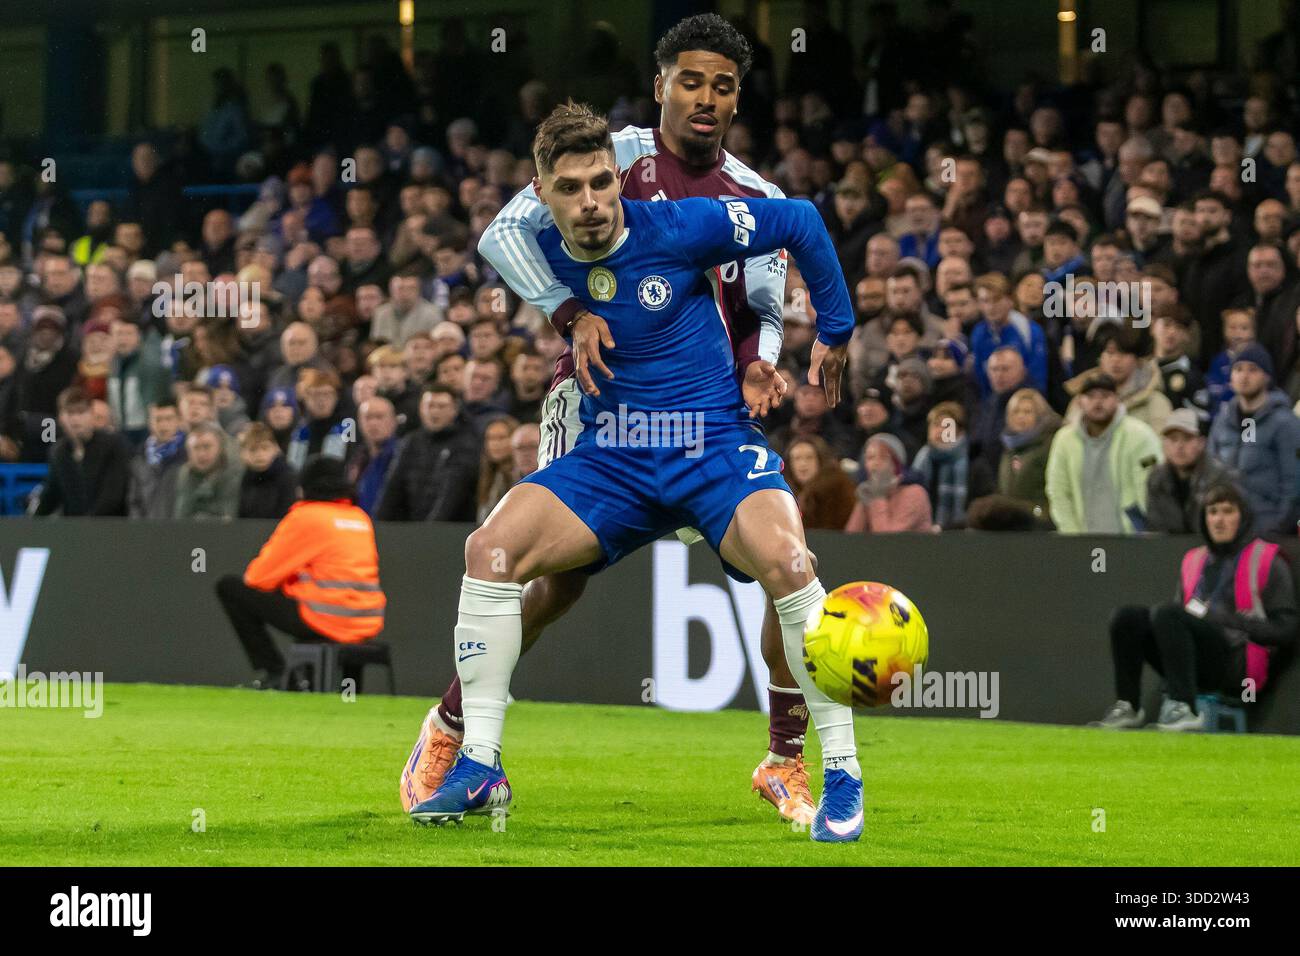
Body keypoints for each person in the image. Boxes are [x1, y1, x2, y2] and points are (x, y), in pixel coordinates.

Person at [406, 99, 863, 842]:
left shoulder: (681, 225)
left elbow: (803, 223)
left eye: (599, 183)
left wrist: (833, 335)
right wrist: (564, 312)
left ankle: (838, 769)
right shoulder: (532, 245)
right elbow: (495, 238)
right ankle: (478, 758)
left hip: (709, 445)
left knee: (791, 561)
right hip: (612, 455)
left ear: (617, 178)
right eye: (569, 188)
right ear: (542, 194)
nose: (588, 202)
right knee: (491, 552)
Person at [1096, 484, 1297, 731]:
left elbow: (1287, 630)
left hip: (1238, 662)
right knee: (1127, 617)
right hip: (1195, 658)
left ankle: (1184, 708)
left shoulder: (1267, 559)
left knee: (1168, 613)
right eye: (1212, 512)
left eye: (1227, 511)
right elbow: (1177, 622)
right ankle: (1128, 706)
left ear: (1243, 517)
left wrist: (1226, 619)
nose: (1219, 520)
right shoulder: (1193, 559)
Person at [216, 456, 385, 690]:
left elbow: (257, 578)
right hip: (367, 621)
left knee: (230, 588)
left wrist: (289, 582)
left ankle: (275, 672)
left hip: (325, 618)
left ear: (305, 485)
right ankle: (309, 683)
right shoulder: (360, 518)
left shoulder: (306, 516)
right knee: (301, 600)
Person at [1045, 372, 1162, 534]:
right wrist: (1071, 534)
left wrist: (1143, 531)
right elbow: (1058, 490)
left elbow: (1150, 487)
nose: (1098, 402)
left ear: (1117, 398)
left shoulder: (1140, 436)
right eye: (1091, 396)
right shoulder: (1064, 439)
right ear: (1079, 401)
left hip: (1131, 541)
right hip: (1080, 542)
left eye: (1105, 396)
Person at [1206, 344, 1300, 534]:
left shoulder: (1284, 422)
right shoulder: (1222, 421)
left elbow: (1293, 481)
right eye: (1238, 369)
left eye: (1253, 369)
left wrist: (1278, 526)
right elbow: (1210, 471)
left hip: (1268, 527)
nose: (1244, 376)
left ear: (1267, 376)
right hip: (1228, 529)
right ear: (1231, 378)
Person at [376, 384, 480, 522]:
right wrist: (378, 526)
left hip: (452, 531)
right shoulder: (410, 442)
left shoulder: (466, 444)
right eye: (430, 405)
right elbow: (392, 489)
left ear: (454, 410)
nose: (435, 412)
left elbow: (452, 494)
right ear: (420, 408)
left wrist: (429, 531)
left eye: (441, 406)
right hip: (411, 529)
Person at [34, 386, 131, 516]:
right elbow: (51, 495)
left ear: (92, 414)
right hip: (74, 529)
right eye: (69, 413)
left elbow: (113, 495)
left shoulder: (114, 445)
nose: (75, 419)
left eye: (81, 412)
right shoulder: (58, 452)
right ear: (61, 417)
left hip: (111, 527)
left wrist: (87, 525)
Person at [1145, 408, 1239, 534]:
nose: (1179, 446)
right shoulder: (1156, 478)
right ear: (1164, 444)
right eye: (1173, 439)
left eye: (1187, 438)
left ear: (1201, 443)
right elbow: (1156, 527)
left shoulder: (1219, 477)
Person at [910, 401, 995, 530]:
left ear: (960, 431)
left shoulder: (975, 465)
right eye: (935, 425)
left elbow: (984, 506)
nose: (940, 431)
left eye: (946, 426)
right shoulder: (921, 463)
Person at [844, 433, 933, 533]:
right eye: (870, 457)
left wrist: (878, 496)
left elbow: (887, 540)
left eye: (883, 457)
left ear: (896, 464)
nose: (876, 463)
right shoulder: (870, 491)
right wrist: (863, 502)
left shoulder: (915, 493)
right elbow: (851, 537)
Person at [997, 387, 1060, 525]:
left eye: (1027, 412)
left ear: (1039, 415)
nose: (1021, 417)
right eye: (1016, 412)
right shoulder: (1008, 449)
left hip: (1041, 524)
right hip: (1012, 525)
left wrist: (1042, 515)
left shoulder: (1050, 445)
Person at [127, 400, 186, 518]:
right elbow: (134, 501)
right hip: (148, 531)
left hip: (181, 530)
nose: (163, 425)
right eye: (158, 419)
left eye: (169, 419)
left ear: (179, 421)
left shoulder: (188, 455)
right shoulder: (139, 458)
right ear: (150, 423)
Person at [173, 422, 244, 520]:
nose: (201, 454)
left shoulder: (233, 473)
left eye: (207, 447)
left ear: (220, 448)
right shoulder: (186, 474)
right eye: (196, 448)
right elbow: (181, 518)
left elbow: (227, 518)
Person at [784, 435, 856, 530]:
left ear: (821, 460)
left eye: (809, 458)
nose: (803, 464)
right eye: (797, 458)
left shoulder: (836, 489)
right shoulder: (782, 492)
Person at [237, 422, 298, 520]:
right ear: (244, 453)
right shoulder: (245, 477)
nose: (259, 454)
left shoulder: (287, 477)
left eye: (265, 448)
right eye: (253, 449)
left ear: (275, 449)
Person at [475, 414, 520, 524]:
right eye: (490, 438)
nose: (495, 444)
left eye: (501, 438)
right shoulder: (490, 475)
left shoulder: (520, 476)